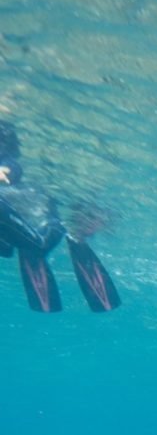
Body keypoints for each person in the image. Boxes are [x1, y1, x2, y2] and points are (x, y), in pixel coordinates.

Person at [0, 121, 120, 313]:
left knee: (36, 244)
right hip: (17, 214)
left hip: (28, 207)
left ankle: (72, 233)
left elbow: (11, 163)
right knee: (21, 245)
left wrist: (7, 170)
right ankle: (72, 234)